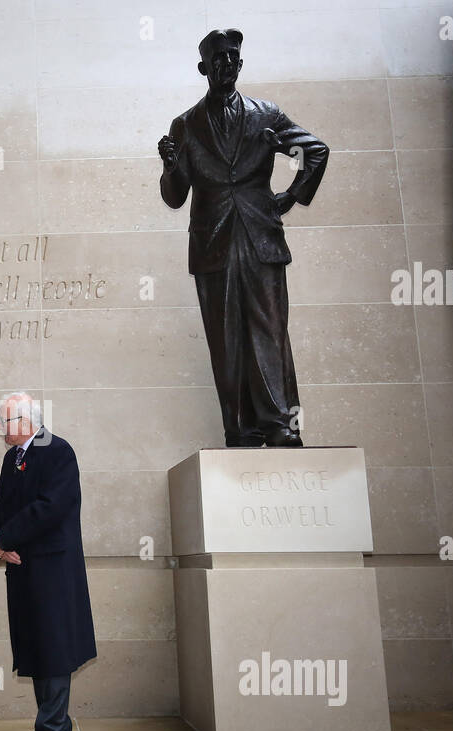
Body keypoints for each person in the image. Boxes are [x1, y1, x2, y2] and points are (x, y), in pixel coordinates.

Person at [158, 28, 328, 447]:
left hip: (260, 238)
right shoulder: (185, 124)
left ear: (240, 63)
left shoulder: (265, 114)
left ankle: (281, 425)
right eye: (218, 58)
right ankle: (241, 429)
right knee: (226, 339)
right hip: (213, 244)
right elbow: (176, 196)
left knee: (269, 331)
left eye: (232, 57)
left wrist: (288, 197)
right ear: (204, 68)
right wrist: (169, 167)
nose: (226, 64)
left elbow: (316, 151)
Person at [0, 392, 96, 731]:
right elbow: (2, 509)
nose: (0, 429)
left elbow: (49, 508)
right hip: (25, 571)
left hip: (52, 573)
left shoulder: (57, 451)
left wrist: (6, 538)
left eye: (4, 422)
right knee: (37, 650)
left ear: (26, 421)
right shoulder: (12, 457)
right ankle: (50, 729)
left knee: (53, 652)